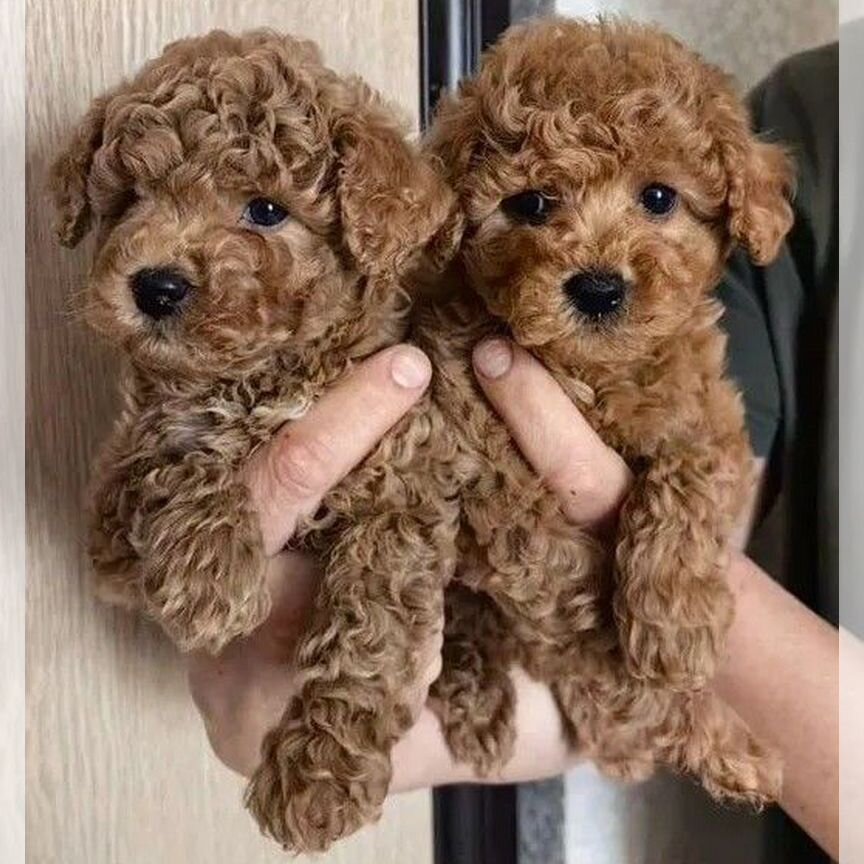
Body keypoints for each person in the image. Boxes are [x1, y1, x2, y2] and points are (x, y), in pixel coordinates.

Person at [189, 39, 843, 863]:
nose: (599, 262)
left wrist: (670, 568)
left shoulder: (690, 356)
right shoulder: (822, 108)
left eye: (656, 198)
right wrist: (331, 699)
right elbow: (429, 521)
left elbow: (700, 476)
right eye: (532, 205)